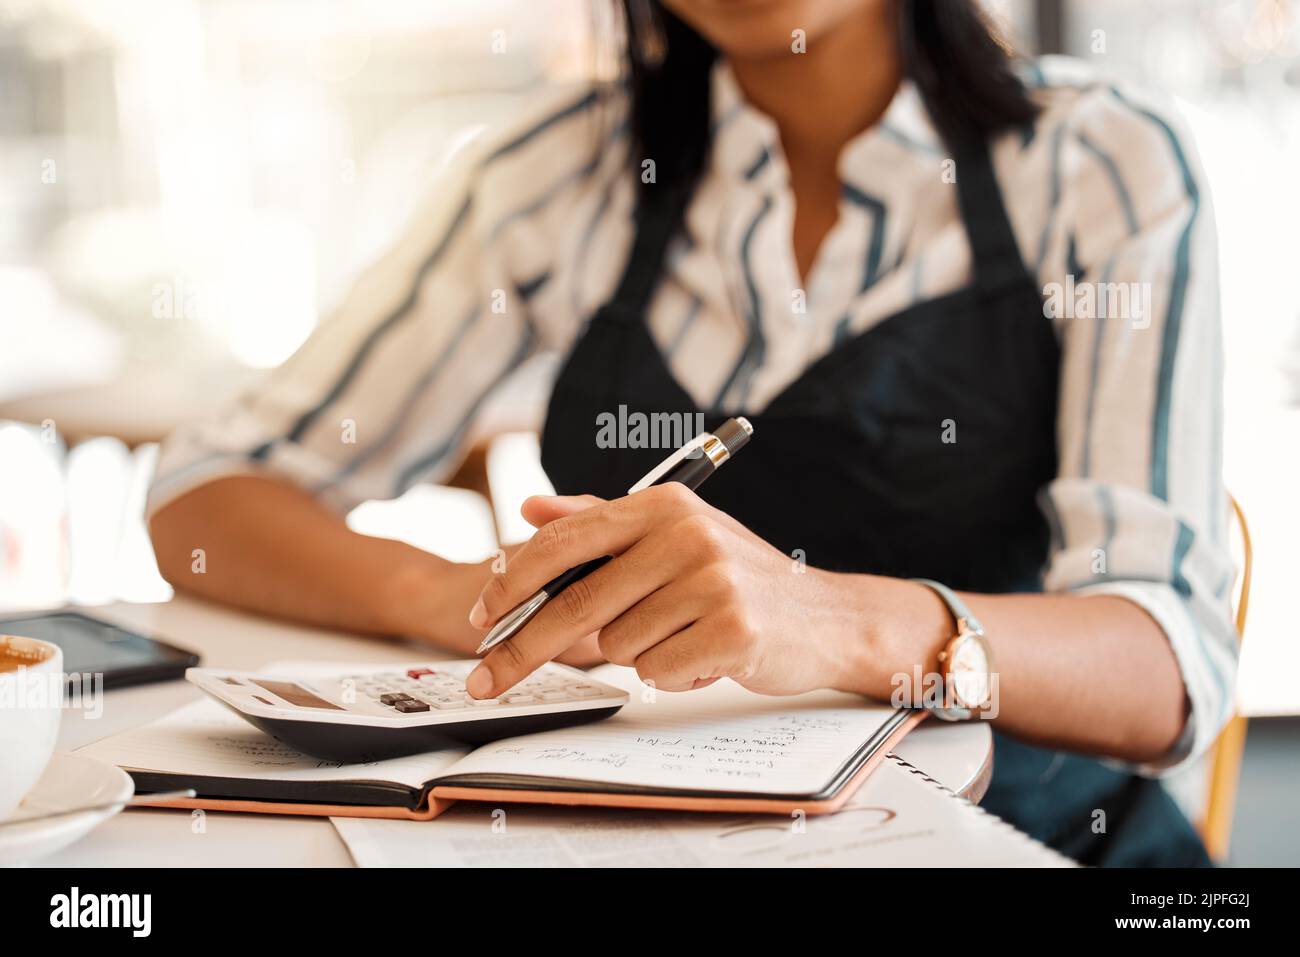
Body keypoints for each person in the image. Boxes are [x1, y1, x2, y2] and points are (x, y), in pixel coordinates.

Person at [147, 0, 1235, 866]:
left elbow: (1164, 669)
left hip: (1020, 839)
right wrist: (465, 598)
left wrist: (821, 619)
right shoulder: (556, 177)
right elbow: (205, 493)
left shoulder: (1097, 166)